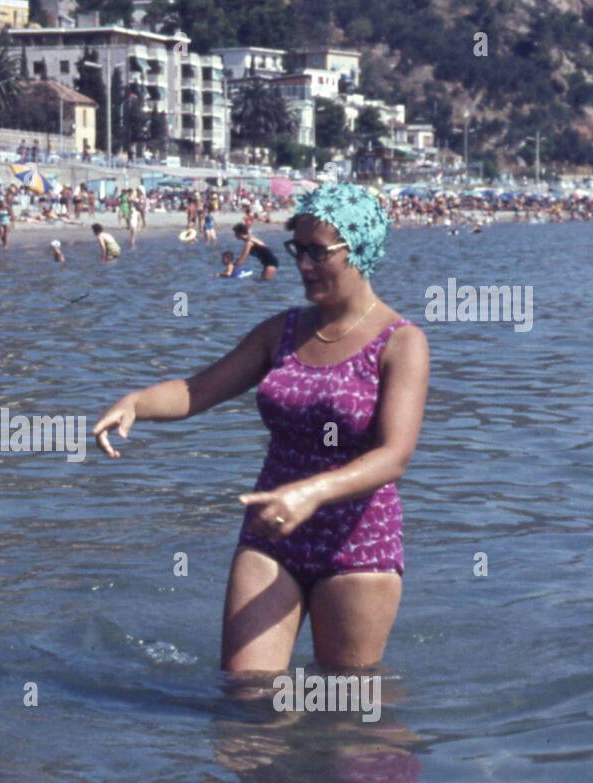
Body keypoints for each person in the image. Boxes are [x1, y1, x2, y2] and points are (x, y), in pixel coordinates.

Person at [92, 183, 430, 672]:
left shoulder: (401, 343)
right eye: (298, 249)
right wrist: (135, 403)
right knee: (246, 701)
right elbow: (198, 390)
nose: (303, 264)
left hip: (357, 541)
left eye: (319, 252)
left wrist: (311, 493)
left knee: (350, 711)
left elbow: (394, 455)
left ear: (359, 248)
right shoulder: (282, 332)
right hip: (271, 528)